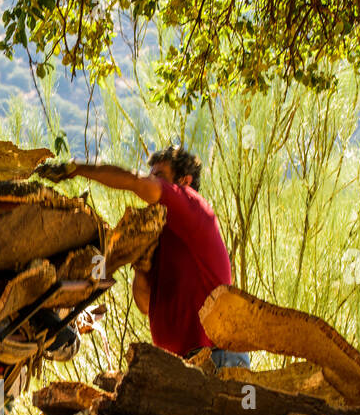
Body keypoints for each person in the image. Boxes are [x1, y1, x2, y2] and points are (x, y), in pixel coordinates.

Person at [35, 147, 250, 369]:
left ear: (185, 181)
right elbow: (145, 304)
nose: (152, 181)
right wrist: (142, 265)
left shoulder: (193, 206)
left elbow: (135, 182)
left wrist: (76, 168)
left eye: (159, 177)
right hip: (186, 364)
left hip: (219, 357)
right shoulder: (164, 234)